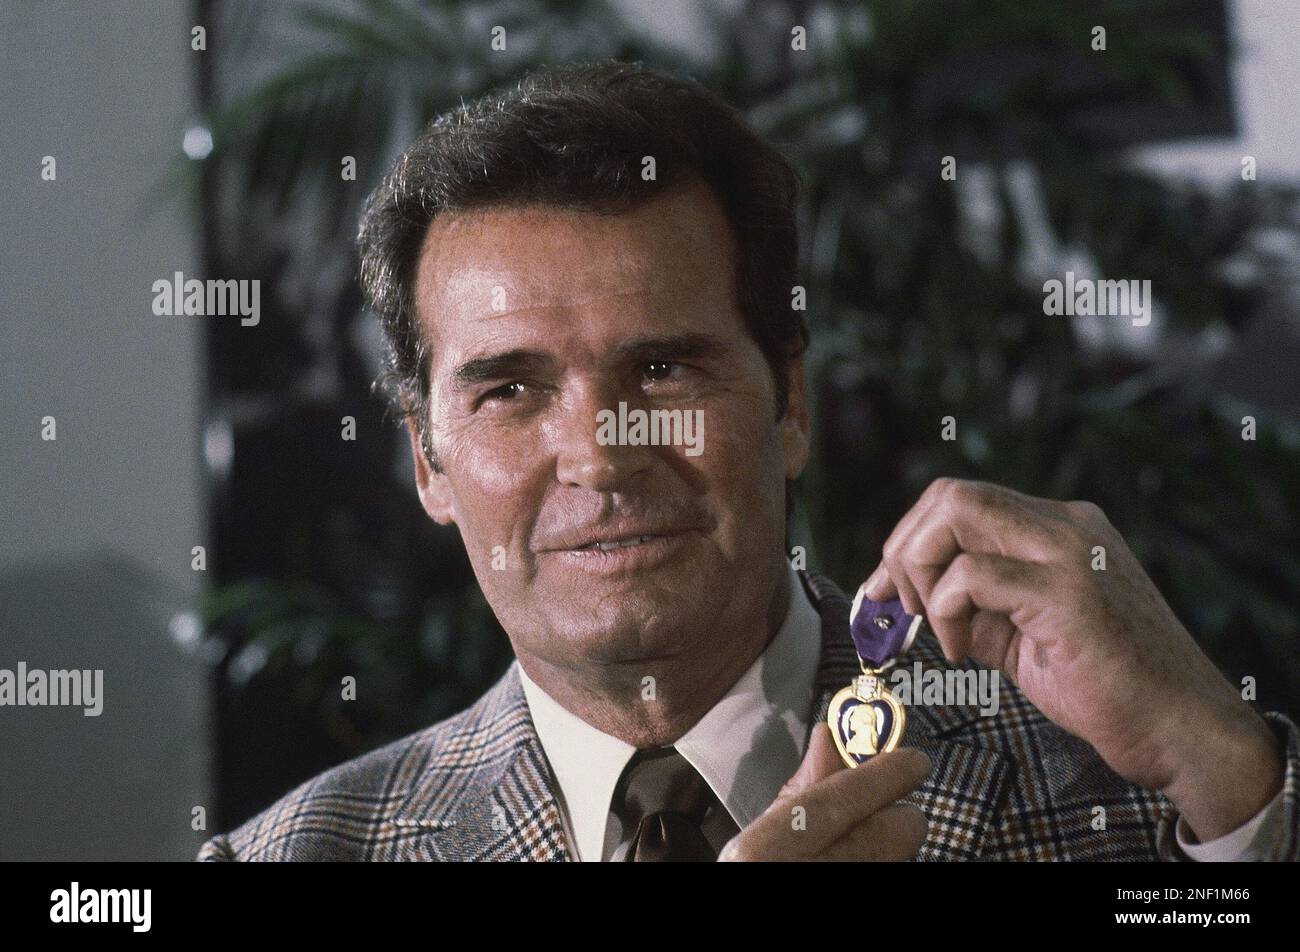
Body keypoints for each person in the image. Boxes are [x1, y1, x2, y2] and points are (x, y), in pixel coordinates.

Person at [199, 60, 1297, 862]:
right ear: (428, 462)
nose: (599, 452)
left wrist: (1234, 777)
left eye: (665, 369)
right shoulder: (289, 857)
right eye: (509, 390)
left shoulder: (1130, 791)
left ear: (790, 401)